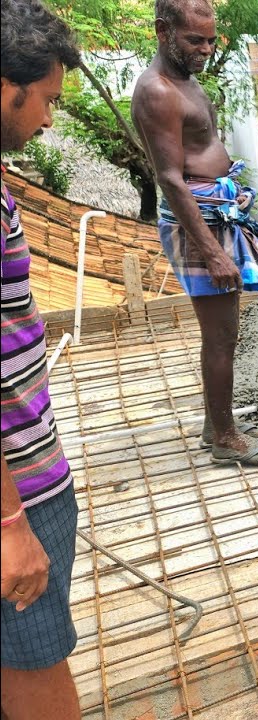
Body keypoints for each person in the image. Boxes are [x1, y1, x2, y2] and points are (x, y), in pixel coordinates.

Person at [132, 0, 258, 465]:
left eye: (211, 39)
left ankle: (216, 423)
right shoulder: (158, 91)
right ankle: (224, 439)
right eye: (195, 40)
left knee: (224, 332)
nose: (206, 49)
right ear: (163, 31)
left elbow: (201, 154)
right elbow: (171, 178)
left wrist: (231, 194)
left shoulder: (186, 81)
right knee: (220, 335)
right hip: (198, 224)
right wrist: (213, 252)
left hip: (217, 213)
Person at [1, 1, 84, 716]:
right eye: (47, 100)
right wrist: (9, 525)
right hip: (18, 489)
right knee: (34, 668)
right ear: (7, 87)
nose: (49, 120)